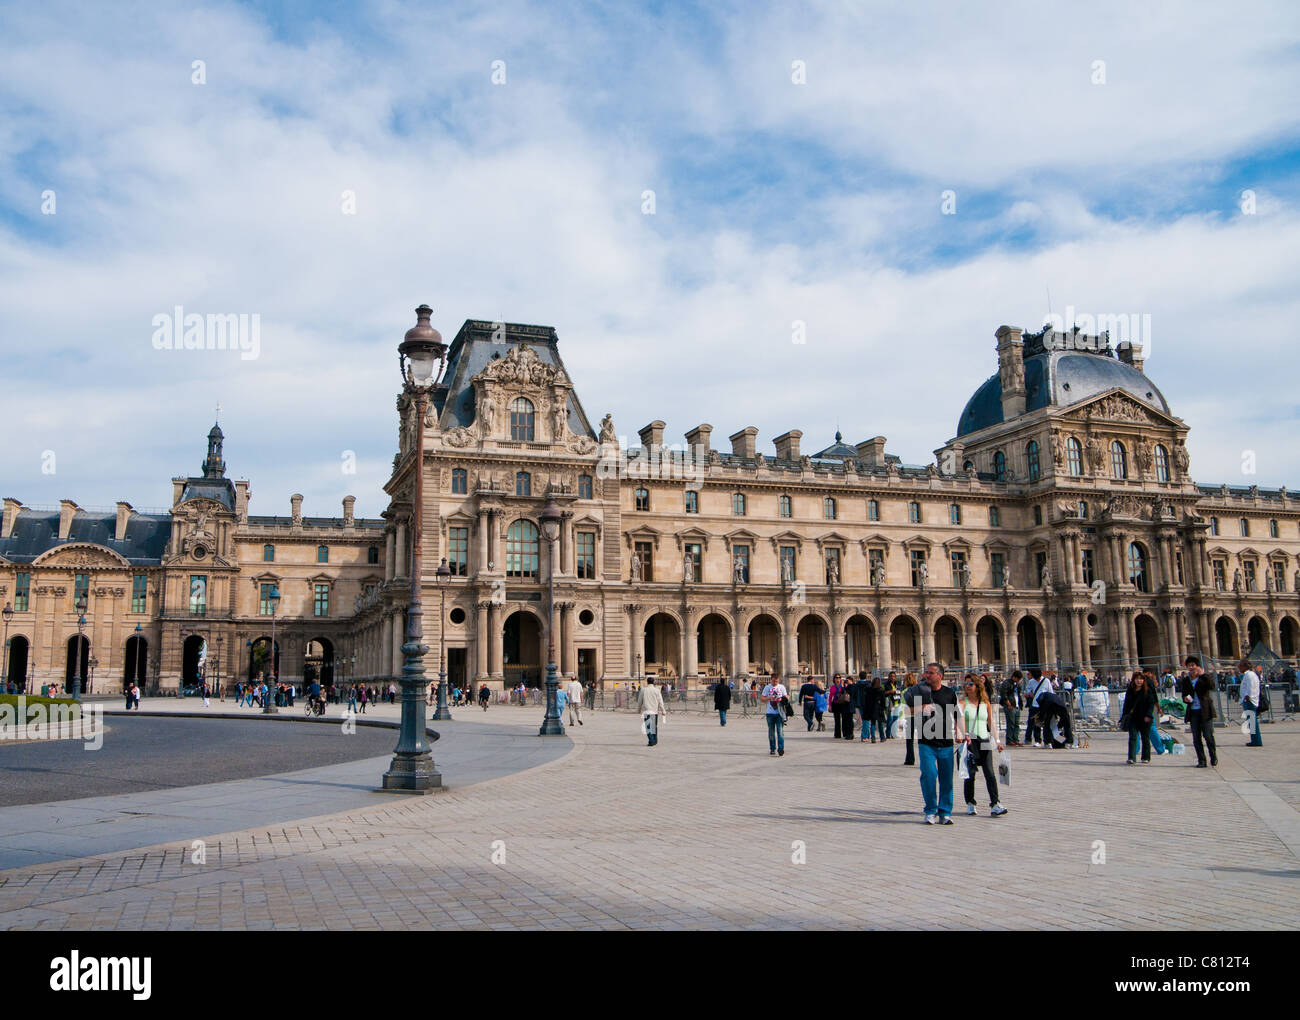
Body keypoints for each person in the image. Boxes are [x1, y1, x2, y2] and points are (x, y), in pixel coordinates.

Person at [916, 663, 964, 823]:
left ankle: (945, 812)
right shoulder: (920, 691)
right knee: (929, 775)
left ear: (940, 676)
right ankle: (930, 810)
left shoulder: (949, 693)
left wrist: (960, 732)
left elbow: (957, 714)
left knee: (946, 778)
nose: (927, 675)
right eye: (926, 673)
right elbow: (908, 710)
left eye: (930, 673)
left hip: (946, 741)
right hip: (926, 741)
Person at [959, 675, 1007, 816]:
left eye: (971, 683)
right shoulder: (962, 703)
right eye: (966, 684)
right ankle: (970, 803)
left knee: (990, 773)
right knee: (971, 773)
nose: (967, 686)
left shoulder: (985, 703)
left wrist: (997, 741)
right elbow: (959, 720)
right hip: (970, 740)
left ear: (977, 686)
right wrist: (962, 733)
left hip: (984, 739)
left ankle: (995, 803)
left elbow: (991, 723)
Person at [1180, 656, 1218, 767]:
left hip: (1205, 710)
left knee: (1208, 735)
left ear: (1197, 666)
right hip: (1193, 711)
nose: (1191, 667)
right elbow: (1183, 694)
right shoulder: (1186, 680)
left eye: (1193, 665)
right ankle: (1202, 760)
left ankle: (1213, 755)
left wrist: (1203, 675)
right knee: (1196, 738)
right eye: (1189, 665)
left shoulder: (1204, 678)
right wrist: (1185, 699)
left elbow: (1212, 686)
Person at [1029, 668, 1072, 748]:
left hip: (1052, 706)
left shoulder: (1043, 701)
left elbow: (1043, 715)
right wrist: (1059, 725)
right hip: (1060, 705)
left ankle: (1048, 742)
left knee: (1047, 724)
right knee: (1066, 722)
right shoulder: (1048, 696)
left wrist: (1040, 719)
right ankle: (1068, 742)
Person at [1121, 670, 1156, 764]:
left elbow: (1151, 703)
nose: (1139, 681)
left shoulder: (1147, 690)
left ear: (1144, 680)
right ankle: (1131, 757)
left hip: (1145, 717)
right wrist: (1123, 716)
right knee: (1132, 736)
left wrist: (1149, 715)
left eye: (1141, 679)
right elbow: (1126, 704)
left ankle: (1146, 757)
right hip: (1133, 717)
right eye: (1137, 679)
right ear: (1133, 680)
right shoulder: (1130, 690)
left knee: (1145, 738)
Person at [761, 675, 789, 756]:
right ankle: (772, 748)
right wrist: (769, 698)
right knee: (771, 732)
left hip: (779, 713)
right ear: (771, 680)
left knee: (780, 732)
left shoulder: (782, 687)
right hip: (770, 713)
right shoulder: (767, 688)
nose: (775, 683)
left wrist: (781, 699)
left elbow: (786, 697)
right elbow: (762, 699)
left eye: (776, 681)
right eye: (774, 681)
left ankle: (781, 749)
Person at [1239, 658, 1263, 747]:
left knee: (1252, 722)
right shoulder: (1250, 674)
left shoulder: (1249, 675)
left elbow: (1251, 688)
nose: (1239, 668)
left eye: (1240, 666)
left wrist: (1247, 698)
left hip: (1249, 701)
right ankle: (1255, 740)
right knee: (1252, 722)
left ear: (1245, 666)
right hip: (1250, 700)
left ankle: (1256, 741)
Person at [637, 676, 666, 746]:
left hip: (647, 711)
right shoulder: (657, 690)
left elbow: (639, 701)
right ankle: (655, 740)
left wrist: (638, 710)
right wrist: (663, 710)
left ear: (647, 682)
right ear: (653, 682)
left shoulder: (643, 690)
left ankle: (651, 741)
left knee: (648, 727)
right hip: (654, 711)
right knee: (654, 727)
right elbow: (660, 701)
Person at [901, 673, 921, 765]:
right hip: (919, 715)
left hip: (909, 717)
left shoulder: (904, 692)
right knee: (922, 739)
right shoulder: (919, 690)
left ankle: (910, 759)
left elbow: (904, 706)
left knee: (909, 740)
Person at [1000, 670, 1023, 746]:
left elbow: (1019, 695)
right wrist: (1008, 704)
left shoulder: (1017, 684)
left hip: (1017, 706)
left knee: (1016, 724)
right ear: (1014, 677)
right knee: (1011, 723)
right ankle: (1009, 740)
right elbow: (1004, 694)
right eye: (1018, 679)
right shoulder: (1007, 683)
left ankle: (1015, 739)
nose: (1019, 681)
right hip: (1010, 706)